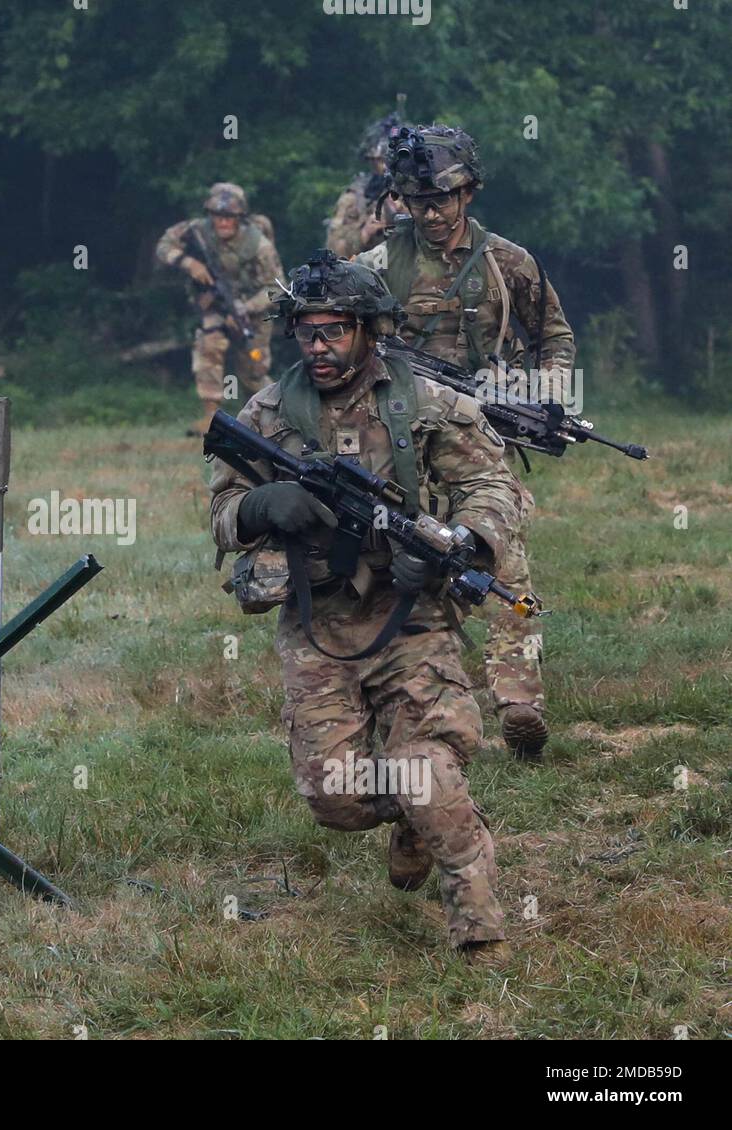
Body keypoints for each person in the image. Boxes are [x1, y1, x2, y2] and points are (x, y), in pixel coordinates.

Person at [208, 251, 521, 962]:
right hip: (319, 623)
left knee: (426, 767)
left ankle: (481, 932)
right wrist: (263, 504)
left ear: (369, 331)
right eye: (307, 333)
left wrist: (465, 542)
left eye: (335, 333)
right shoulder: (269, 414)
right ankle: (414, 816)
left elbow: (492, 487)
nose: (318, 349)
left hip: (413, 617)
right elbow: (223, 512)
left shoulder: (425, 403)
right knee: (335, 798)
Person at [356, 124, 576, 760]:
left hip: (479, 438)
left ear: (469, 192)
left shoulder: (509, 263)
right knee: (402, 572)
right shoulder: (375, 267)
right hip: (396, 443)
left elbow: (553, 338)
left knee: (502, 560)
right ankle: (412, 709)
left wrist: (544, 392)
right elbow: (343, 344)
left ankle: (520, 703)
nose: (430, 212)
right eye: (417, 199)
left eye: (443, 198)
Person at [156, 182, 284, 437]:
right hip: (215, 307)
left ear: (240, 218)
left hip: (253, 315)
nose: (223, 223)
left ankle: (275, 419)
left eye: (230, 218)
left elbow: (277, 288)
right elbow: (164, 246)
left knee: (254, 370)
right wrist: (187, 262)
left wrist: (246, 308)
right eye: (218, 217)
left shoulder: (258, 245)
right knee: (208, 345)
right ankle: (211, 416)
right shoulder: (197, 232)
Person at [325, 110, 410, 257]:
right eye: (377, 160)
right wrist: (364, 233)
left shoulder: (418, 191)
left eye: (387, 159)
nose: (383, 167)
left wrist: (403, 215)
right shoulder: (356, 197)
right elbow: (332, 250)